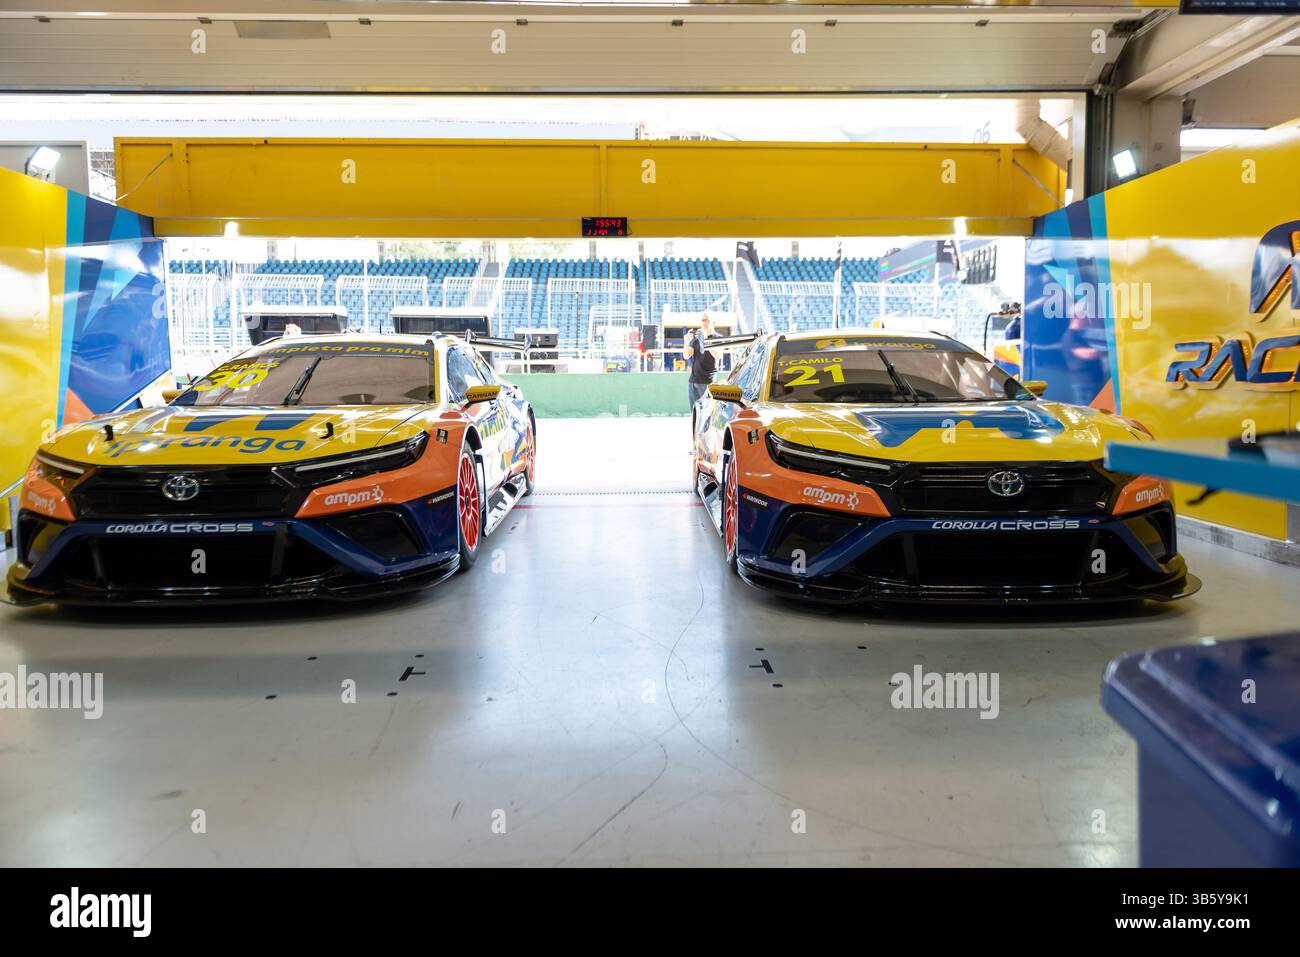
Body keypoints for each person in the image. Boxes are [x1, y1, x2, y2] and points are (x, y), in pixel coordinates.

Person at [684, 312, 717, 410]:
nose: (704, 322)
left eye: (707, 320)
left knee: (707, 414)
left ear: (713, 323)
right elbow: (686, 355)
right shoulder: (696, 339)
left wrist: (707, 338)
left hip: (707, 383)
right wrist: (686, 342)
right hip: (693, 382)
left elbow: (718, 355)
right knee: (694, 414)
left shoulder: (716, 338)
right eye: (702, 320)